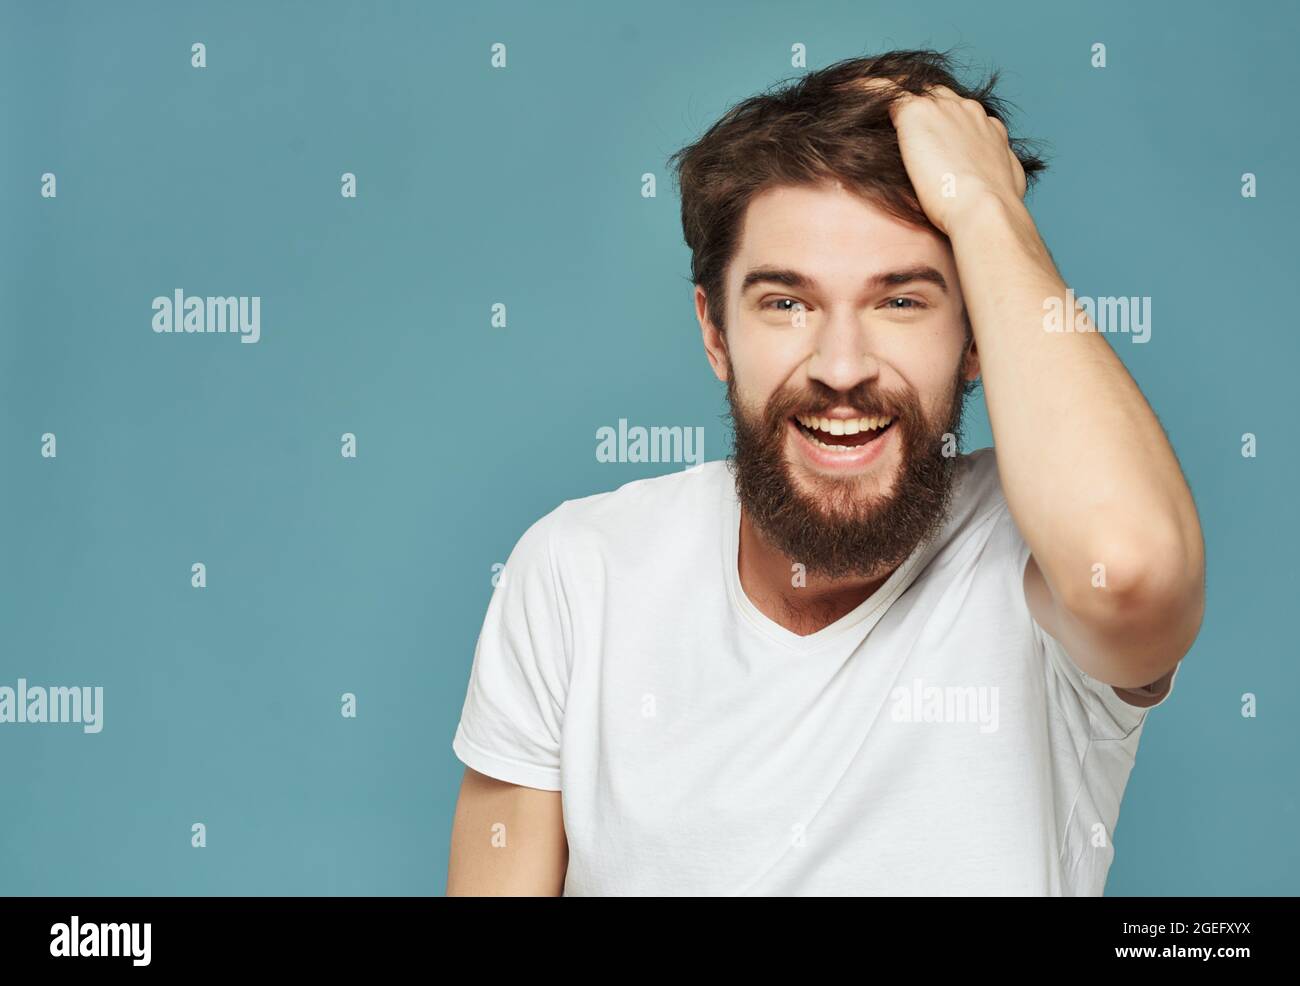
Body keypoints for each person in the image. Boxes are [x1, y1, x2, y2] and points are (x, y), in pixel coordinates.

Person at [446, 49, 1204, 896]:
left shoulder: (1036, 561)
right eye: (786, 302)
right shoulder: (576, 574)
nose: (842, 366)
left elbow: (1133, 573)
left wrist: (985, 209)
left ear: (980, 336)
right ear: (716, 332)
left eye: (902, 300)